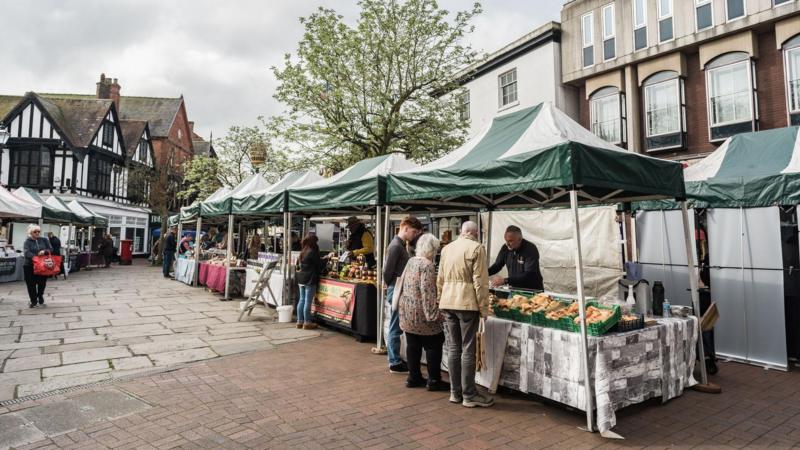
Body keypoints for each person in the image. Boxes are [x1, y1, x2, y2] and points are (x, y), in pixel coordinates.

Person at [437, 221, 494, 408]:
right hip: (467, 303)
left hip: (448, 301)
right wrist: (484, 308)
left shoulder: (447, 249)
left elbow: (440, 278)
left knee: (454, 348)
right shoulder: (477, 248)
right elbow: (480, 282)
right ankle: (469, 395)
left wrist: (440, 299)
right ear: (474, 233)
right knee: (468, 348)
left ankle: (455, 392)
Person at [395, 233, 448, 391]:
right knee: (434, 343)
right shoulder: (428, 265)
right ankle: (433, 380)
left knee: (413, 344)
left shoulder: (411, 261)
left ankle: (413, 377)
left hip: (408, 312)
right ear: (432, 249)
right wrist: (433, 314)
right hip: (422, 314)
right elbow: (428, 292)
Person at [383, 216, 424, 373]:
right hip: (396, 288)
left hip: (396, 287)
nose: (414, 235)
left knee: (396, 324)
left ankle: (395, 359)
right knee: (395, 325)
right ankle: (394, 361)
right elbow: (387, 271)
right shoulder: (396, 246)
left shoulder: (400, 245)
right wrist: (391, 286)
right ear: (405, 228)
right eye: (413, 232)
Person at [488, 225, 543, 291]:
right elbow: (497, 265)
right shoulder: (505, 248)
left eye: (510, 241)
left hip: (531, 290)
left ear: (519, 239)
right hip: (514, 288)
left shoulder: (530, 249)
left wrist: (505, 280)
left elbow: (529, 274)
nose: (507, 244)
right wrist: (483, 273)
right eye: (506, 240)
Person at [295, 233, 324, 330]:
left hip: (301, 278)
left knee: (301, 300)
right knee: (307, 301)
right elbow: (319, 264)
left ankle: (300, 322)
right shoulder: (312, 252)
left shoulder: (303, 251)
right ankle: (307, 322)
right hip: (310, 279)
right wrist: (326, 259)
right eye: (316, 241)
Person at [23, 224, 52, 308]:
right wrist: (36, 257)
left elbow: (50, 249)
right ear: (31, 232)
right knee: (31, 284)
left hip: (43, 265)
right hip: (29, 265)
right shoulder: (27, 242)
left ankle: (40, 297)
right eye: (35, 232)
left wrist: (44, 251)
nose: (37, 233)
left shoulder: (44, 240)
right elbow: (26, 252)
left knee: (42, 282)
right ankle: (33, 301)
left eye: (38, 231)